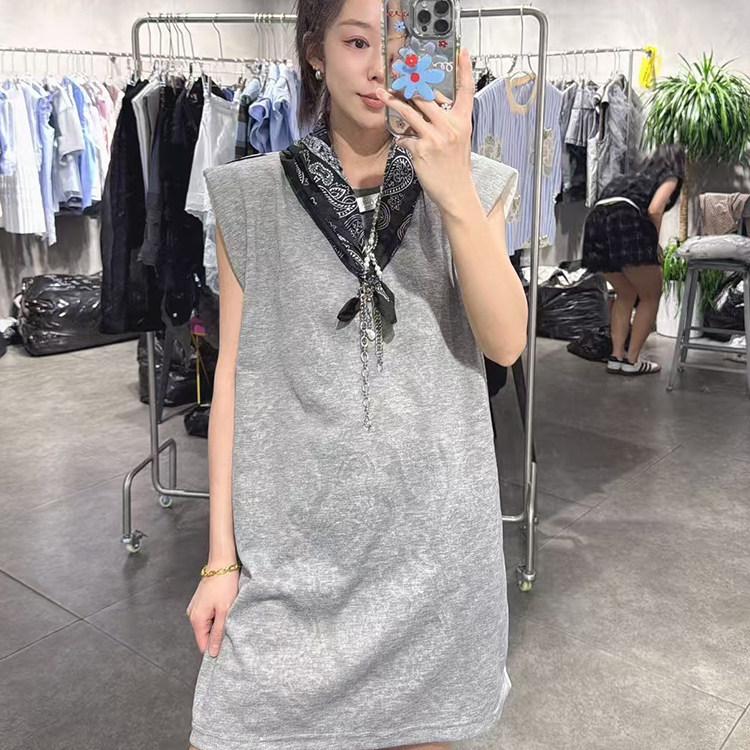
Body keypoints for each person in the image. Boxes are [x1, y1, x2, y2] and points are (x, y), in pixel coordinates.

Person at [185, 1, 527, 748]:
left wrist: (454, 192)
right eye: (356, 41)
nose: (379, 68)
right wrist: (219, 560)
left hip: (437, 556)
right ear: (315, 52)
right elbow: (234, 377)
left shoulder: (477, 186)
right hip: (296, 555)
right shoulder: (250, 196)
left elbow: (506, 343)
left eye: (401, 45)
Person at [581, 144, 686, 375]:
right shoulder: (670, 175)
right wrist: (654, 244)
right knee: (651, 296)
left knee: (625, 293)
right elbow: (655, 209)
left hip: (596, 223)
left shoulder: (628, 177)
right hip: (626, 221)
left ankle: (616, 356)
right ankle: (632, 361)